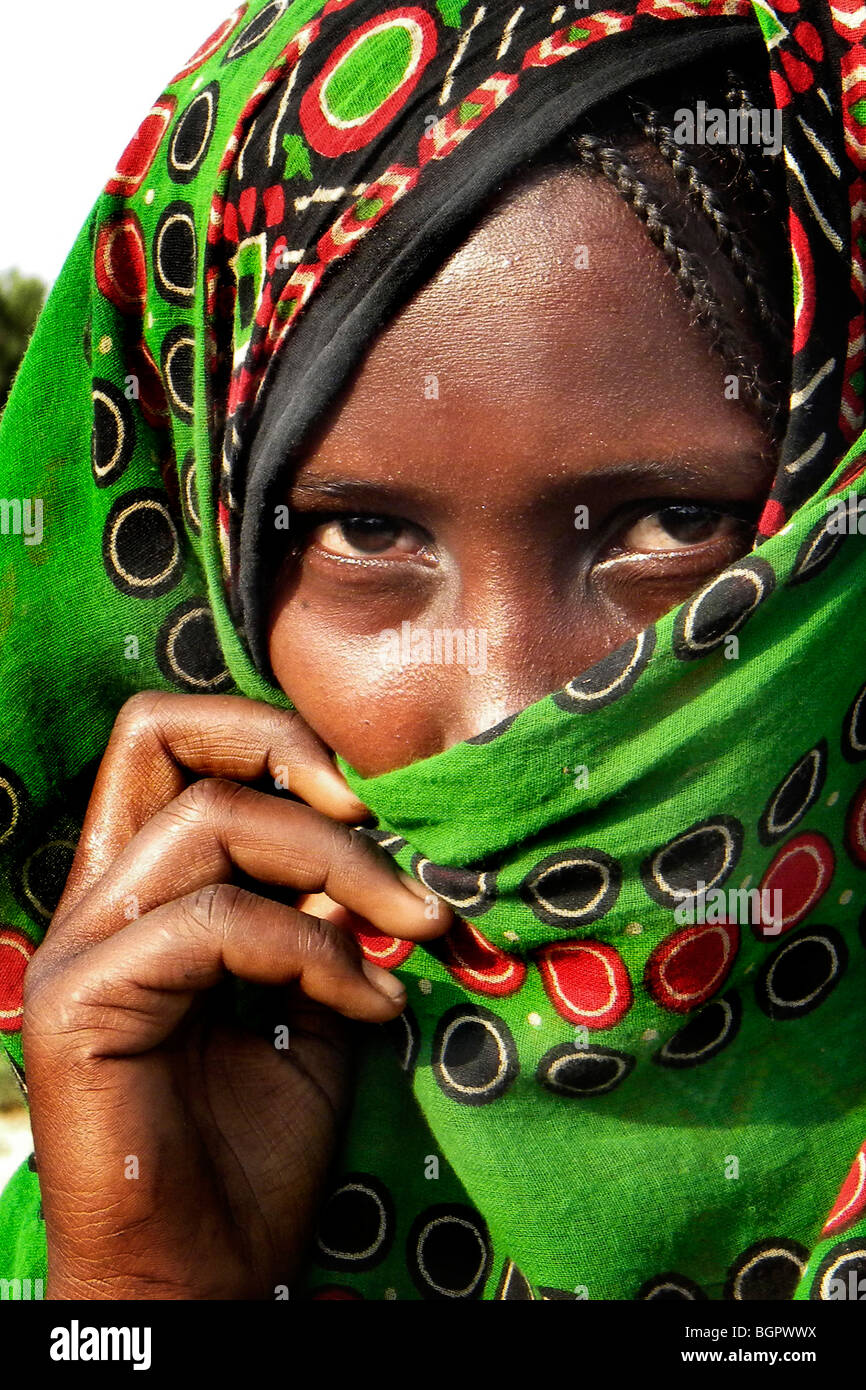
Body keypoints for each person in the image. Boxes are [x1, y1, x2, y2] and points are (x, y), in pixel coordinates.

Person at [0, 0, 865, 1302]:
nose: (503, 706)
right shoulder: (108, 1199)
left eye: (669, 523)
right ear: (209, 592)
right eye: (361, 532)